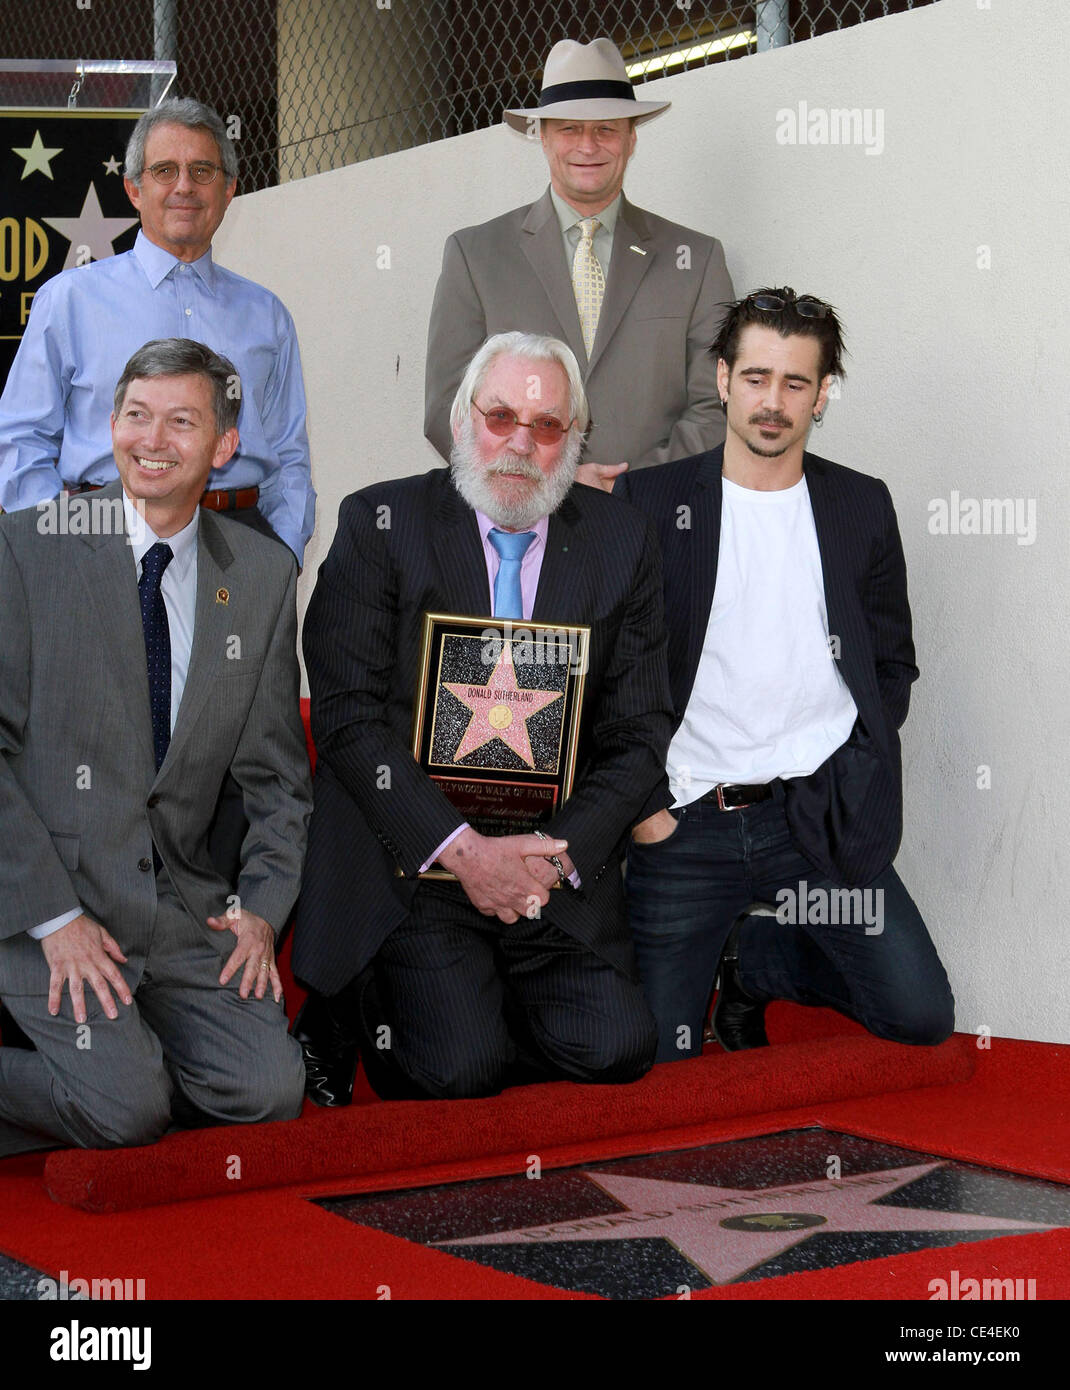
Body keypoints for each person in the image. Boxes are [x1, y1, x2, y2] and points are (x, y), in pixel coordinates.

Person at [292, 331, 673, 1103]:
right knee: (458, 1073)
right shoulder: (381, 523)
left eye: (546, 426)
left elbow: (639, 735)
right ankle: (370, 1000)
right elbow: (344, 718)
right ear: (464, 419)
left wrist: (550, 855)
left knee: (620, 1050)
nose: (519, 444)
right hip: (420, 859)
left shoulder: (621, 542)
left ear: (575, 439)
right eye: (500, 416)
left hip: (547, 863)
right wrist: (464, 852)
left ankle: (473, 1011)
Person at [617, 289, 954, 1063]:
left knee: (919, 1013)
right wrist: (644, 808)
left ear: (823, 393)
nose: (774, 403)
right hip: (685, 818)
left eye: (796, 383)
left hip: (816, 818)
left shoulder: (860, 505)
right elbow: (616, 676)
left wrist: (850, 769)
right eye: (758, 377)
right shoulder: (652, 501)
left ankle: (754, 962)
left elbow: (890, 660)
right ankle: (710, 960)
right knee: (656, 1060)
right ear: (723, 378)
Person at [0, 339, 311, 1157]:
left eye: (181, 420)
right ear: (111, 426)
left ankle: (121, 1066)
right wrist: (53, 917)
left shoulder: (261, 576)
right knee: (128, 1112)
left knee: (268, 1093)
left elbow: (277, 780)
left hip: (177, 901)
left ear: (224, 446)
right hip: (47, 900)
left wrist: (260, 913)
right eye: (136, 416)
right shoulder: (27, 546)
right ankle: (116, 1078)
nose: (152, 439)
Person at [0, 97, 315, 566]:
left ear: (228, 190)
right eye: (165, 170)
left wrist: (281, 555)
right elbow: (20, 440)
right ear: (133, 189)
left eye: (203, 171)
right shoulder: (68, 301)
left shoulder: (266, 316)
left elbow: (288, 458)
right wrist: (56, 555)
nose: (184, 186)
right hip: (97, 542)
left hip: (237, 548)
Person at [424, 38, 734, 492]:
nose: (587, 146)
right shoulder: (475, 256)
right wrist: (548, 483)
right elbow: (446, 408)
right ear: (543, 137)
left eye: (606, 129)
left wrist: (630, 488)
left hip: (655, 527)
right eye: (569, 129)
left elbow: (718, 404)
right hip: (522, 526)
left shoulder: (697, 260)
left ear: (631, 139)